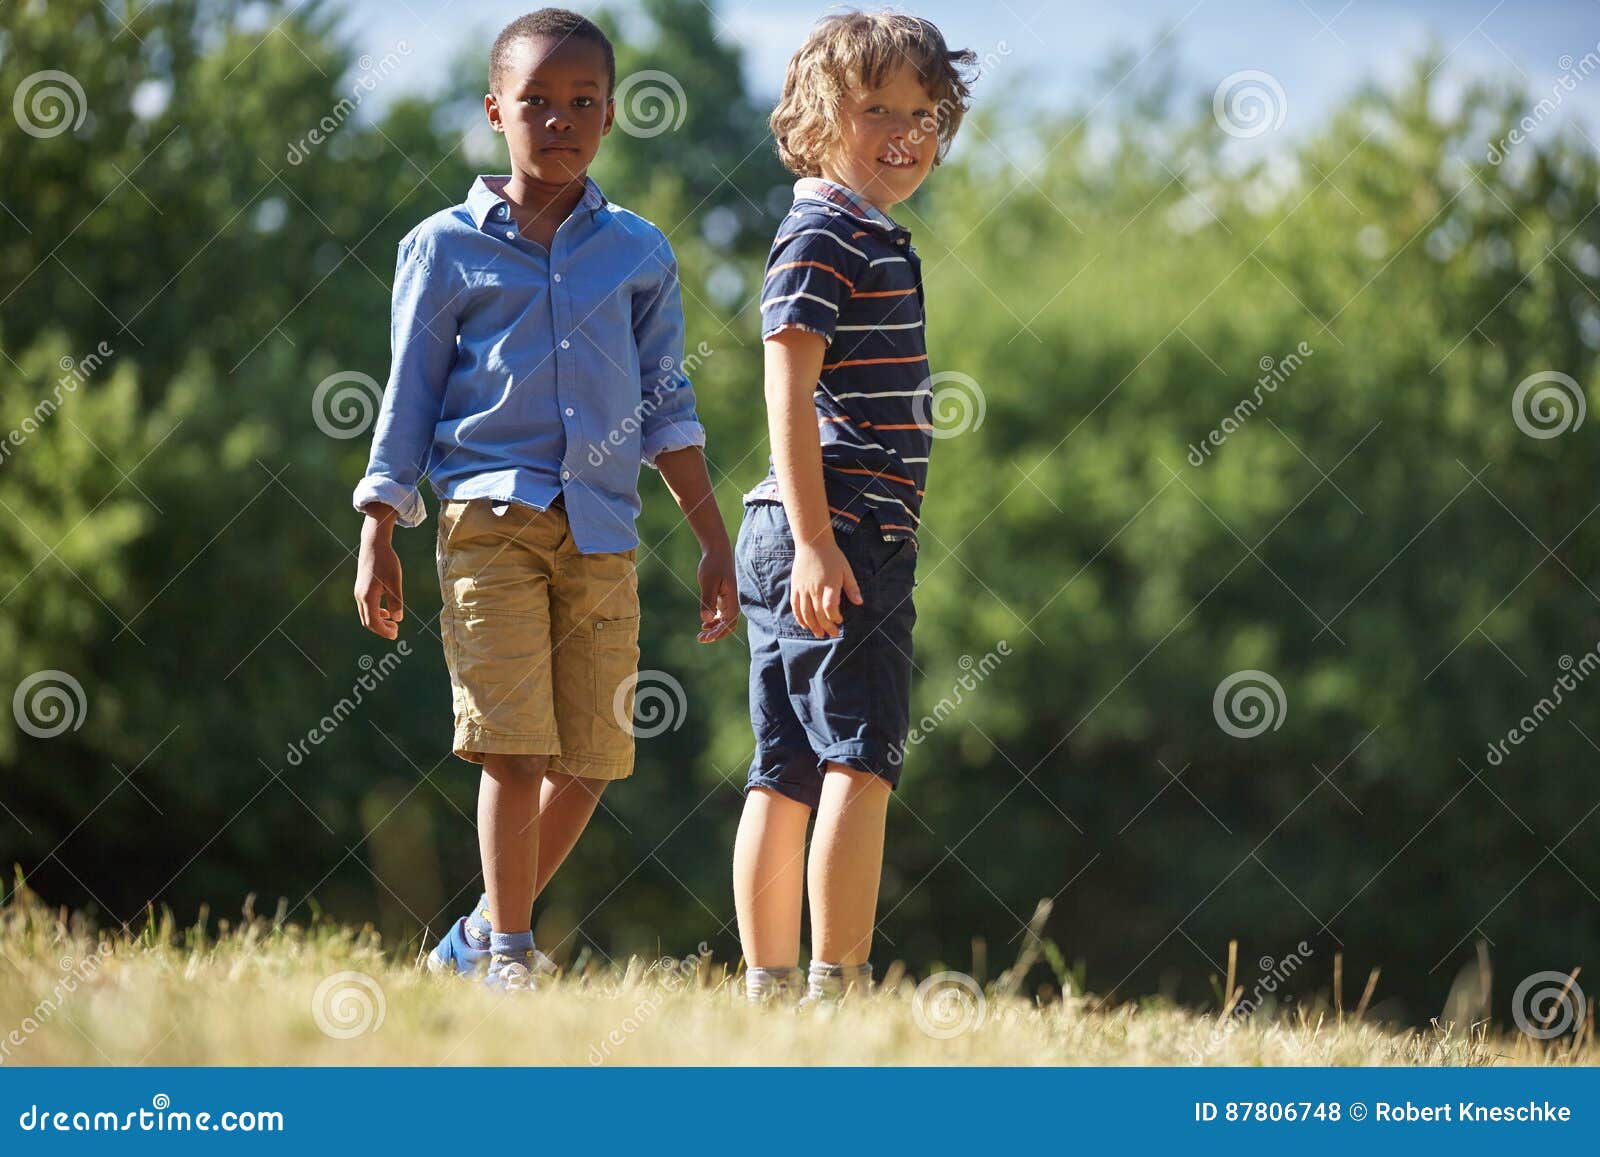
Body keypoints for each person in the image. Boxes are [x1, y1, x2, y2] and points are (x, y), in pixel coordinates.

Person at [352, 8, 737, 990]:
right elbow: (408, 397)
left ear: (609, 117)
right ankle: (515, 955)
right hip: (488, 521)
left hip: (603, 529)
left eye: (581, 103)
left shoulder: (639, 253)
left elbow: (669, 404)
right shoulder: (441, 250)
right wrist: (377, 528)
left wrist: (712, 537)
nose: (559, 120)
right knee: (512, 746)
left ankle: (480, 934)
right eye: (536, 102)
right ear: (494, 110)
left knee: (598, 756)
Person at [732, 10, 976, 1004]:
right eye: (876, 107)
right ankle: (837, 985)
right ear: (814, 120)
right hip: (834, 527)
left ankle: (768, 986)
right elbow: (784, 380)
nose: (905, 131)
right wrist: (820, 541)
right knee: (862, 758)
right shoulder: (829, 227)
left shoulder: (858, 229)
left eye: (923, 112)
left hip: (796, 525)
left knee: (784, 767)